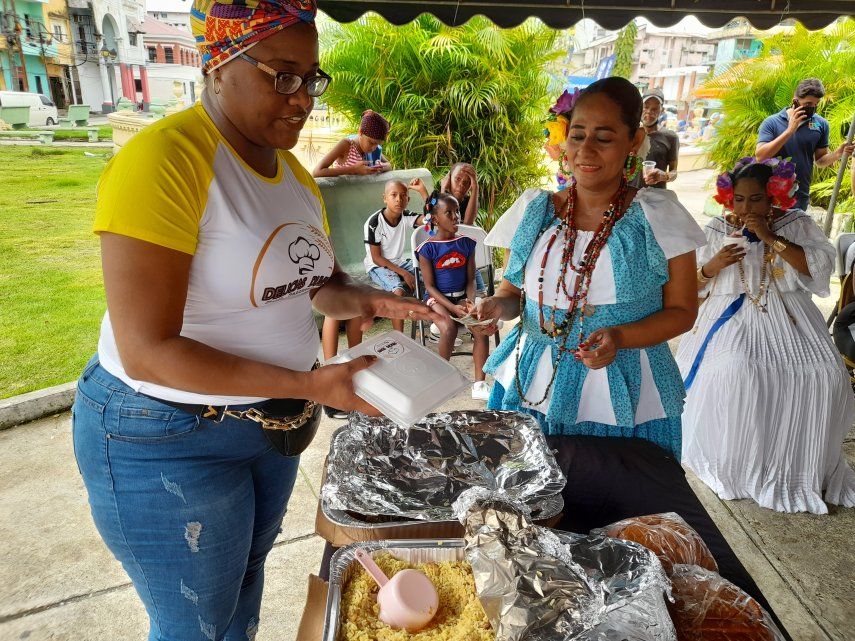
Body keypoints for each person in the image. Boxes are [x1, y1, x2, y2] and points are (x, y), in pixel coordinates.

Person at [70, 2, 438, 638]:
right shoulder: (165, 161)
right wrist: (312, 384)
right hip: (167, 434)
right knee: (196, 624)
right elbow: (147, 349)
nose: (301, 100)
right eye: (281, 75)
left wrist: (377, 302)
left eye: (311, 80)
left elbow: (314, 287)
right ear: (220, 64)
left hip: (266, 430)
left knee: (241, 597)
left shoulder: (291, 172)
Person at [470, 78, 788, 627]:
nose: (585, 151)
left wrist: (620, 337)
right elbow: (515, 291)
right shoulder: (536, 211)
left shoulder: (657, 215)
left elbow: (682, 311)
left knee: (627, 527)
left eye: (604, 137)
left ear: (634, 141)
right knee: (542, 521)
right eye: (576, 135)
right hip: (533, 384)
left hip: (624, 390)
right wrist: (494, 308)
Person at [676, 157, 855, 514]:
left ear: (774, 195)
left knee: (828, 374)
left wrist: (770, 238)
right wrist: (714, 266)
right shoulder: (715, 227)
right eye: (739, 199)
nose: (746, 208)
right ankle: (739, 466)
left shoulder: (796, 223)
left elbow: (816, 271)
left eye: (756, 199)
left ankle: (799, 468)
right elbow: (690, 285)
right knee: (736, 369)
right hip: (731, 317)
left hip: (789, 314)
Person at [416, 193, 491, 400]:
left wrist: (468, 301)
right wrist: (451, 306)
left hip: (461, 297)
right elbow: (430, 287)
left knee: (480, 328)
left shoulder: (467, 244)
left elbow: (470, 280)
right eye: (448, 212)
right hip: (437, 299)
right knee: (448, 328)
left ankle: (480, 384)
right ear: (436, 218)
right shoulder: (427, 249)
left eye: (457, 210)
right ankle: (442, 379)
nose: (456, 216)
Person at [756, 78, 855, 211]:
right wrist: (790, 130)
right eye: (808, 104)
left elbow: (820, 161)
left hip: (800, 195)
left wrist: (838, 153)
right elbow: (761, 156)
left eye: (816, 104)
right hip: (769, 193)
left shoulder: (821, 124)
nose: (812, 108)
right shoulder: (772, 122)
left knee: (794, 231)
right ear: (795, 101)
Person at [363, 180, 424, 333]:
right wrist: (404, 273)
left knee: (429, 276)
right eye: (394, 195)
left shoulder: (406, 216)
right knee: (398, 291)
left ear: (408, 200)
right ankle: (400, 337)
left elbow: (430, 219)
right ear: (385, 198)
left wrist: (423, 192)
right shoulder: (374, 222)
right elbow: (376, 258)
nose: (399, 199)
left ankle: (432, 328)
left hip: (398, 262)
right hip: (377, 266)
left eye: (403, 196)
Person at [312, 109, 392, 177]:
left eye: (378, 144)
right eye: (371, 143)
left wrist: (381, 167)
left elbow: (389, 165)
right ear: (360, 132)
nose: (374, 147)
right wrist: (354, 169)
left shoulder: (374, 150)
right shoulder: (346, 145)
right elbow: (317, 172)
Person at [639, 88, 679, 189]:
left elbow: (674, 172)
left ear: (661, 110)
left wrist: (664, 176)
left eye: (654, 109)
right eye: (646, 107)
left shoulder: (670, 137)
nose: (649, 112)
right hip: (628, 195)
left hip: (655, 196)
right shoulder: (630, 133)